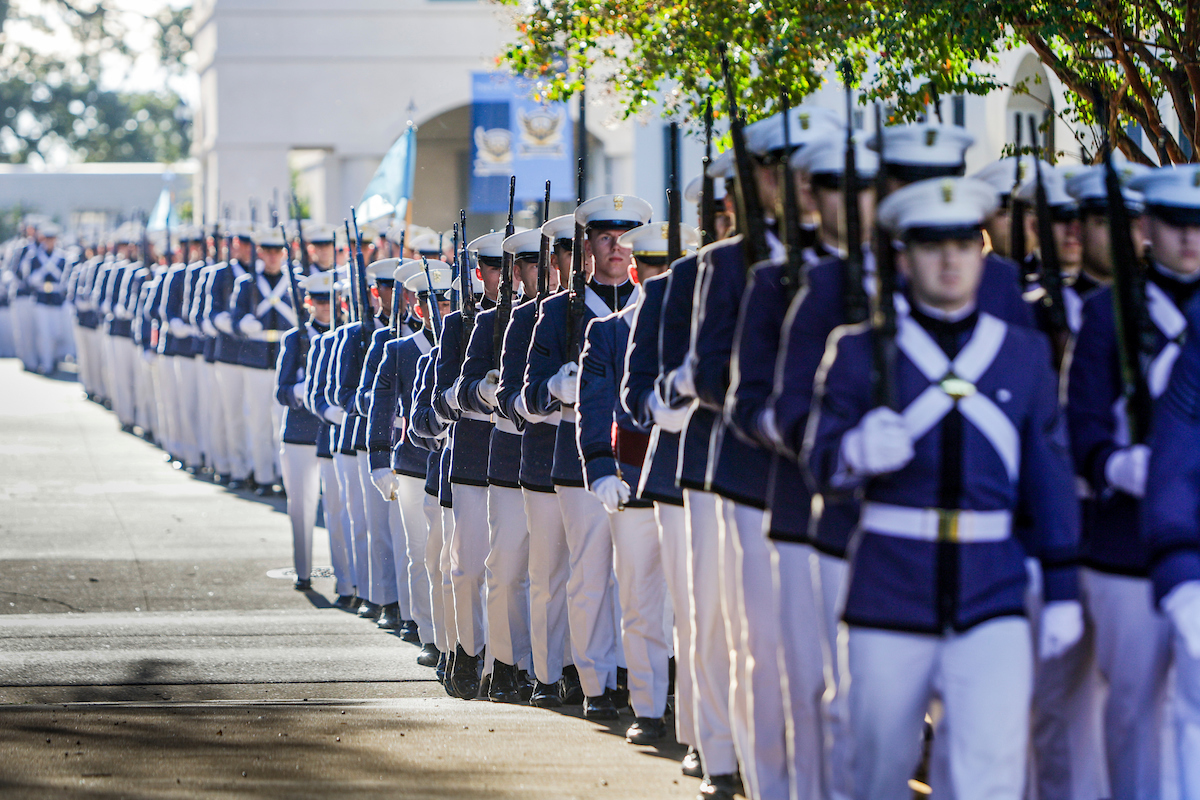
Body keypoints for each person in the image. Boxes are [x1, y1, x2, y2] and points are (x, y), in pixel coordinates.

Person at [805, 176, 1081, 799]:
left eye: (965, 242)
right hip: (889, 587)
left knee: (990, 772)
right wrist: (852, 452)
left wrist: (1061, 585)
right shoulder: (857, 352)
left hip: (993, 587)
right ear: (904, 257)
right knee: (874, 770)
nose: (951, 259)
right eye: (932, 245)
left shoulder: (1023, 354)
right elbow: (817, 462)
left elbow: (1049, 477)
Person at [1079, 163, 1200, 799]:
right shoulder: (1108, 313)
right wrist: (1116, 464)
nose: (1190, 241)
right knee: (1132, 715)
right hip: (1126, 548)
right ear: (1148, 226)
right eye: (1178, 226)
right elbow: (1081, 428)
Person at [522, 193, 653, 719]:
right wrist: (556, 385)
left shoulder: (653, 304)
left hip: (642, 456)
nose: (617, 247)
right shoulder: (559, 311)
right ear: (588, 248)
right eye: (605, 237)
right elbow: (528, 393)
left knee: (640, 580)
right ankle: (596, 682)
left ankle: (635, 676)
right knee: (589, 577)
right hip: (578, 460)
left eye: (625, 238)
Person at [496, 214, 580, 708]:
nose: (578, 261)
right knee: (548, 574)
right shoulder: (527, 320)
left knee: (596, 577)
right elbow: (511, 398)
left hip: (599, 462)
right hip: (545, 457)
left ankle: (590, 671)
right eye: (567, 253)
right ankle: (548, 672)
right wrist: (549, 394)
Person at [277, 269, 333, 591]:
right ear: (309, 302)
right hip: (300, 432)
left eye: (330, 300)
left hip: (332, 433)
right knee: (301, 506)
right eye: (320, 300)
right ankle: (303, 570)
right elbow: (281, 390)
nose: (325, 307)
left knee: (340, 510)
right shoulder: (295, 339)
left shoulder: (346, 335)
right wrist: (301, 390)